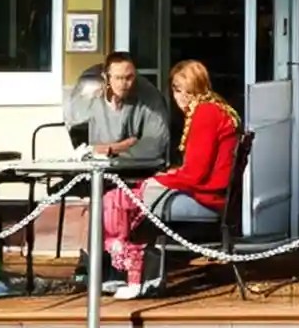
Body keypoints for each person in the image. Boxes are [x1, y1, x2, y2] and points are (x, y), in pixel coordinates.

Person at [100, 59, 241, 299]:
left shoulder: (205, 113)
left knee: (118, 200)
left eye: (183, 89)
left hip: (208, 198)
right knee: (127, 196)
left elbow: (196, 174)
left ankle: (133, 275)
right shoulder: (216, 107)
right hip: (214, 195)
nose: (180, 97)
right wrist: (166, 178)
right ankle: (128, 272)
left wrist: (162, 180)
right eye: (176, 89)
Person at [62, 52, 170, 164]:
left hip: (137, 167)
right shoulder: (90, 91)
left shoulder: (149, 94)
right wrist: (119, 146)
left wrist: (110, 151)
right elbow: (75, 139)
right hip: (93, 166)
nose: (123, 83)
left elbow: (155, 142)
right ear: (106, 78)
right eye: (118, 78)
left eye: (129, 77)